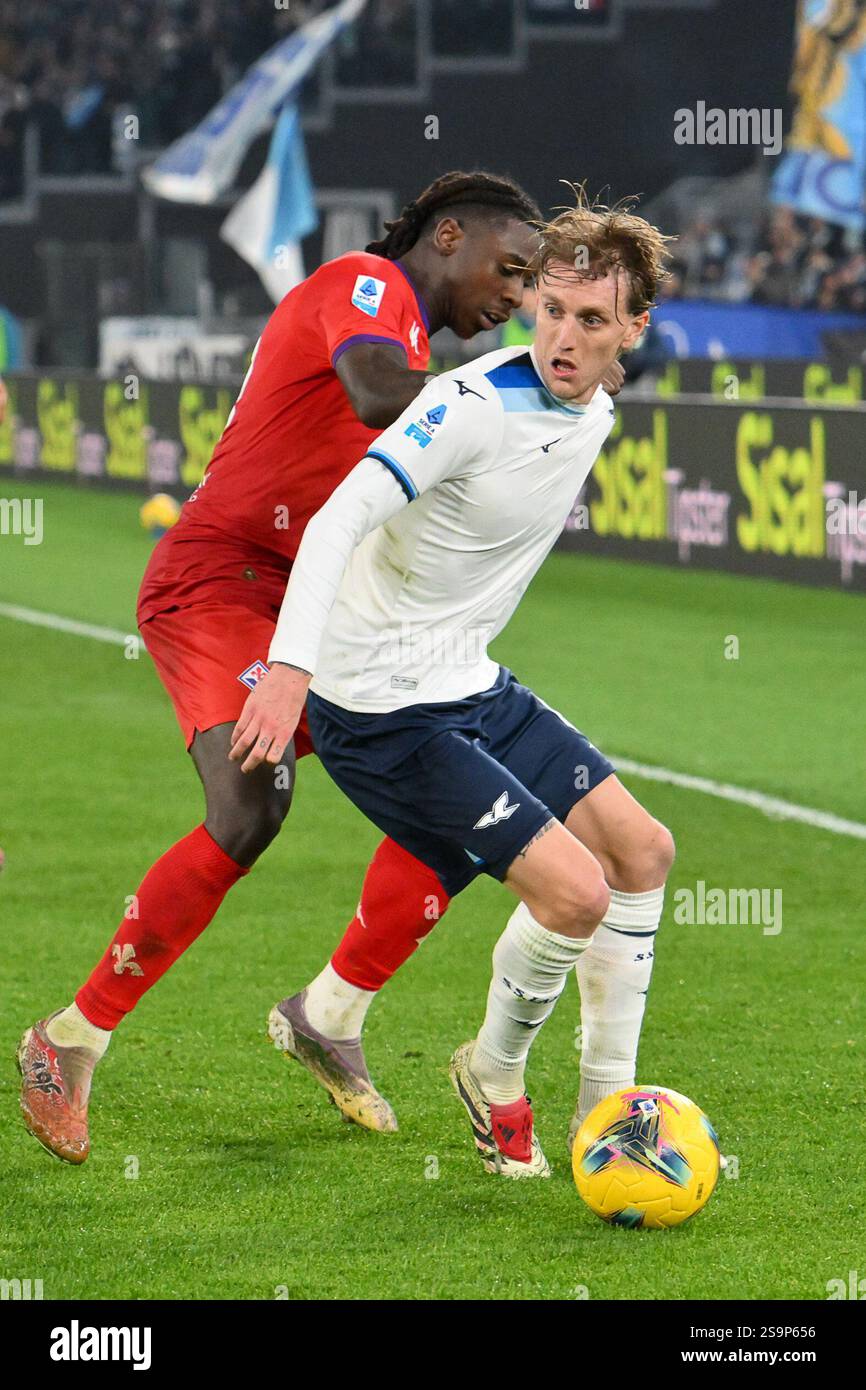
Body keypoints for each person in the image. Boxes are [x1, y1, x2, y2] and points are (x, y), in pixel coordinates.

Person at [17, 170, 559, 1165]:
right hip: (220, 580)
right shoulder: (365, 284)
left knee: (457, 792)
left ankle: (331, 1011)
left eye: (533, 283)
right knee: (251, 800)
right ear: (448, 235)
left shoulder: (427, 348)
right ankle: (70, 1037)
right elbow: (374, 393)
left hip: (320, 600)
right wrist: (513, 394)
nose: (518, 297)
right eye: (511, 269)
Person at [229, 191, 676, 1176]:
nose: (562, 337)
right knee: (574, 895)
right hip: (378, 706)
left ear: (632, 331)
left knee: (642, 852)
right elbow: (338, 521)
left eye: (589, 320)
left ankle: (609, 1114)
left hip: (466, 684)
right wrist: (289, 671)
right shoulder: (468, 408)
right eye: (549, 310)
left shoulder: (595, 402)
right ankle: (494, 1077)